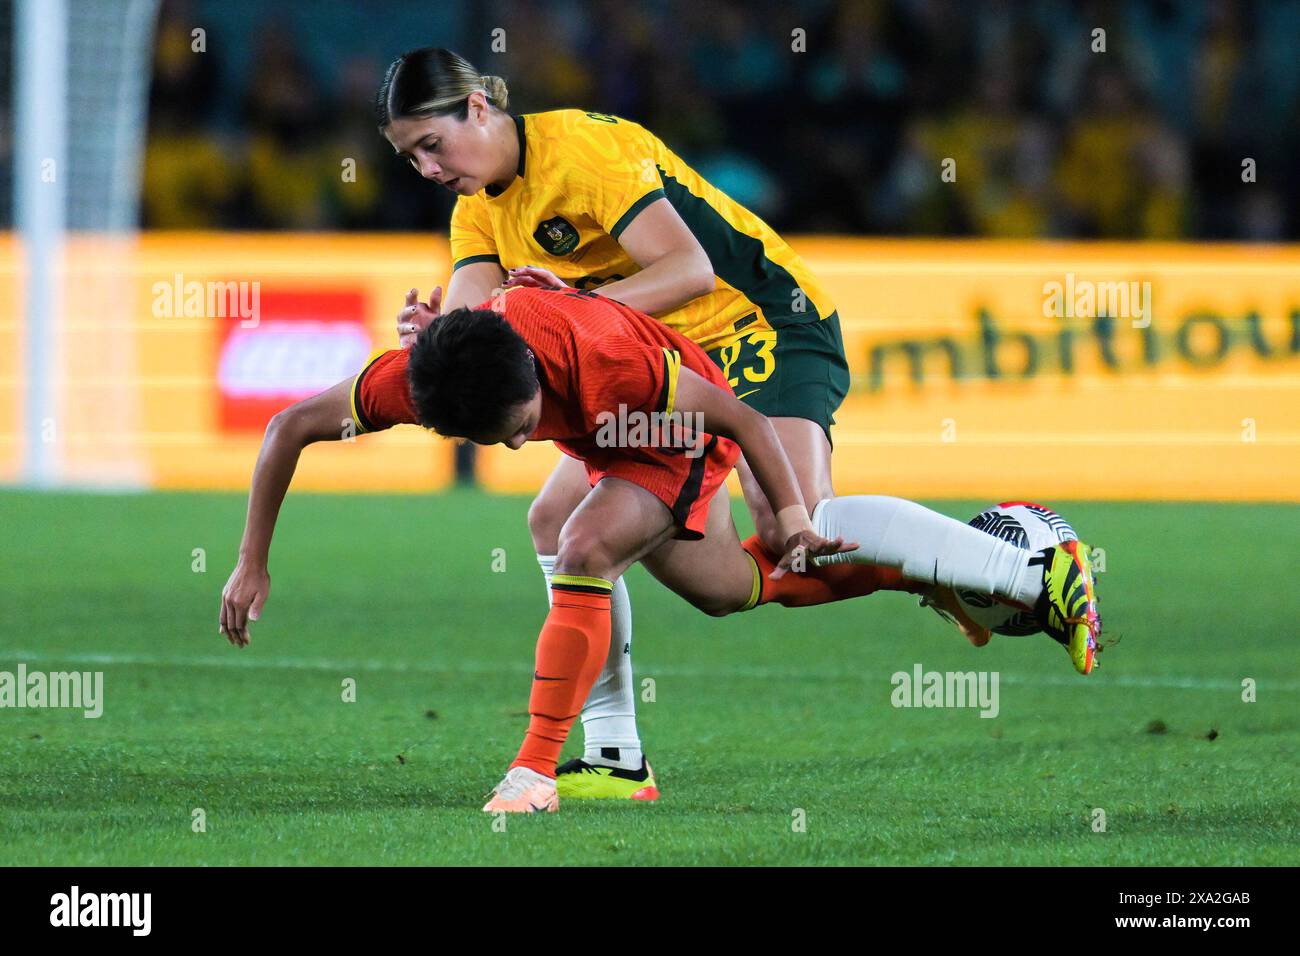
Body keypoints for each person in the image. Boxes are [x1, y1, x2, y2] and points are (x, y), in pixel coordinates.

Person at [371, 48, 1099, 800]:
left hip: (759, 321)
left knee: (797, 530)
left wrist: (578, 312)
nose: (427, 167)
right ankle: (616, 758)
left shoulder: (583, 153)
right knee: (596, 537)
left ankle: (1032, 571)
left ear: (481, 109)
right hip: (661, 360)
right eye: (408, 156)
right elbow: (477, 317)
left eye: (432, 143)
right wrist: (433, 336)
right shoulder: (477, 208)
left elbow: (690, 273)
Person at [379, 286, 1099, 811]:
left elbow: (739, 405)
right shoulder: (461, 358)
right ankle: (902, 571)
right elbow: (295, 425)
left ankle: (1032, 570)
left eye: (519, 424)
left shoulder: (609, 346)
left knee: (584, 545)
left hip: (685, 411)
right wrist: (257, 560)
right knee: (729, 587)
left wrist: (790, 515)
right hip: (619, 425)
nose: (512, 441)